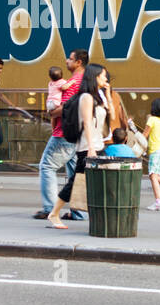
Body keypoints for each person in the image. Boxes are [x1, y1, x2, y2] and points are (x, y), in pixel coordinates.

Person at [42, 63, 110, 230]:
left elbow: (112, 115)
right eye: (102, 75)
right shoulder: (86, 97)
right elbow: (86, 123)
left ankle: (98, 215)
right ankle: (54, 213)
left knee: (98, 182)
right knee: (76, 181)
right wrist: (91, 148)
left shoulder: (98, 96)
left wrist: (107, 92)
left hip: (98, 144)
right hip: (87, 147)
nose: (105, 78)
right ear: (94, 77)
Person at [34, 50, 87, 221]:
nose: (66, 61)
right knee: (74, 173)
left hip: (63, 133)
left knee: (47, 166)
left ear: (78, 62)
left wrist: (53, 113)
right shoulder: (81, 81)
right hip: (76, 134)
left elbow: (67, 107)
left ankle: (49, 208)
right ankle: (77, 211)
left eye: (70, 59)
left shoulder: (74, 81)